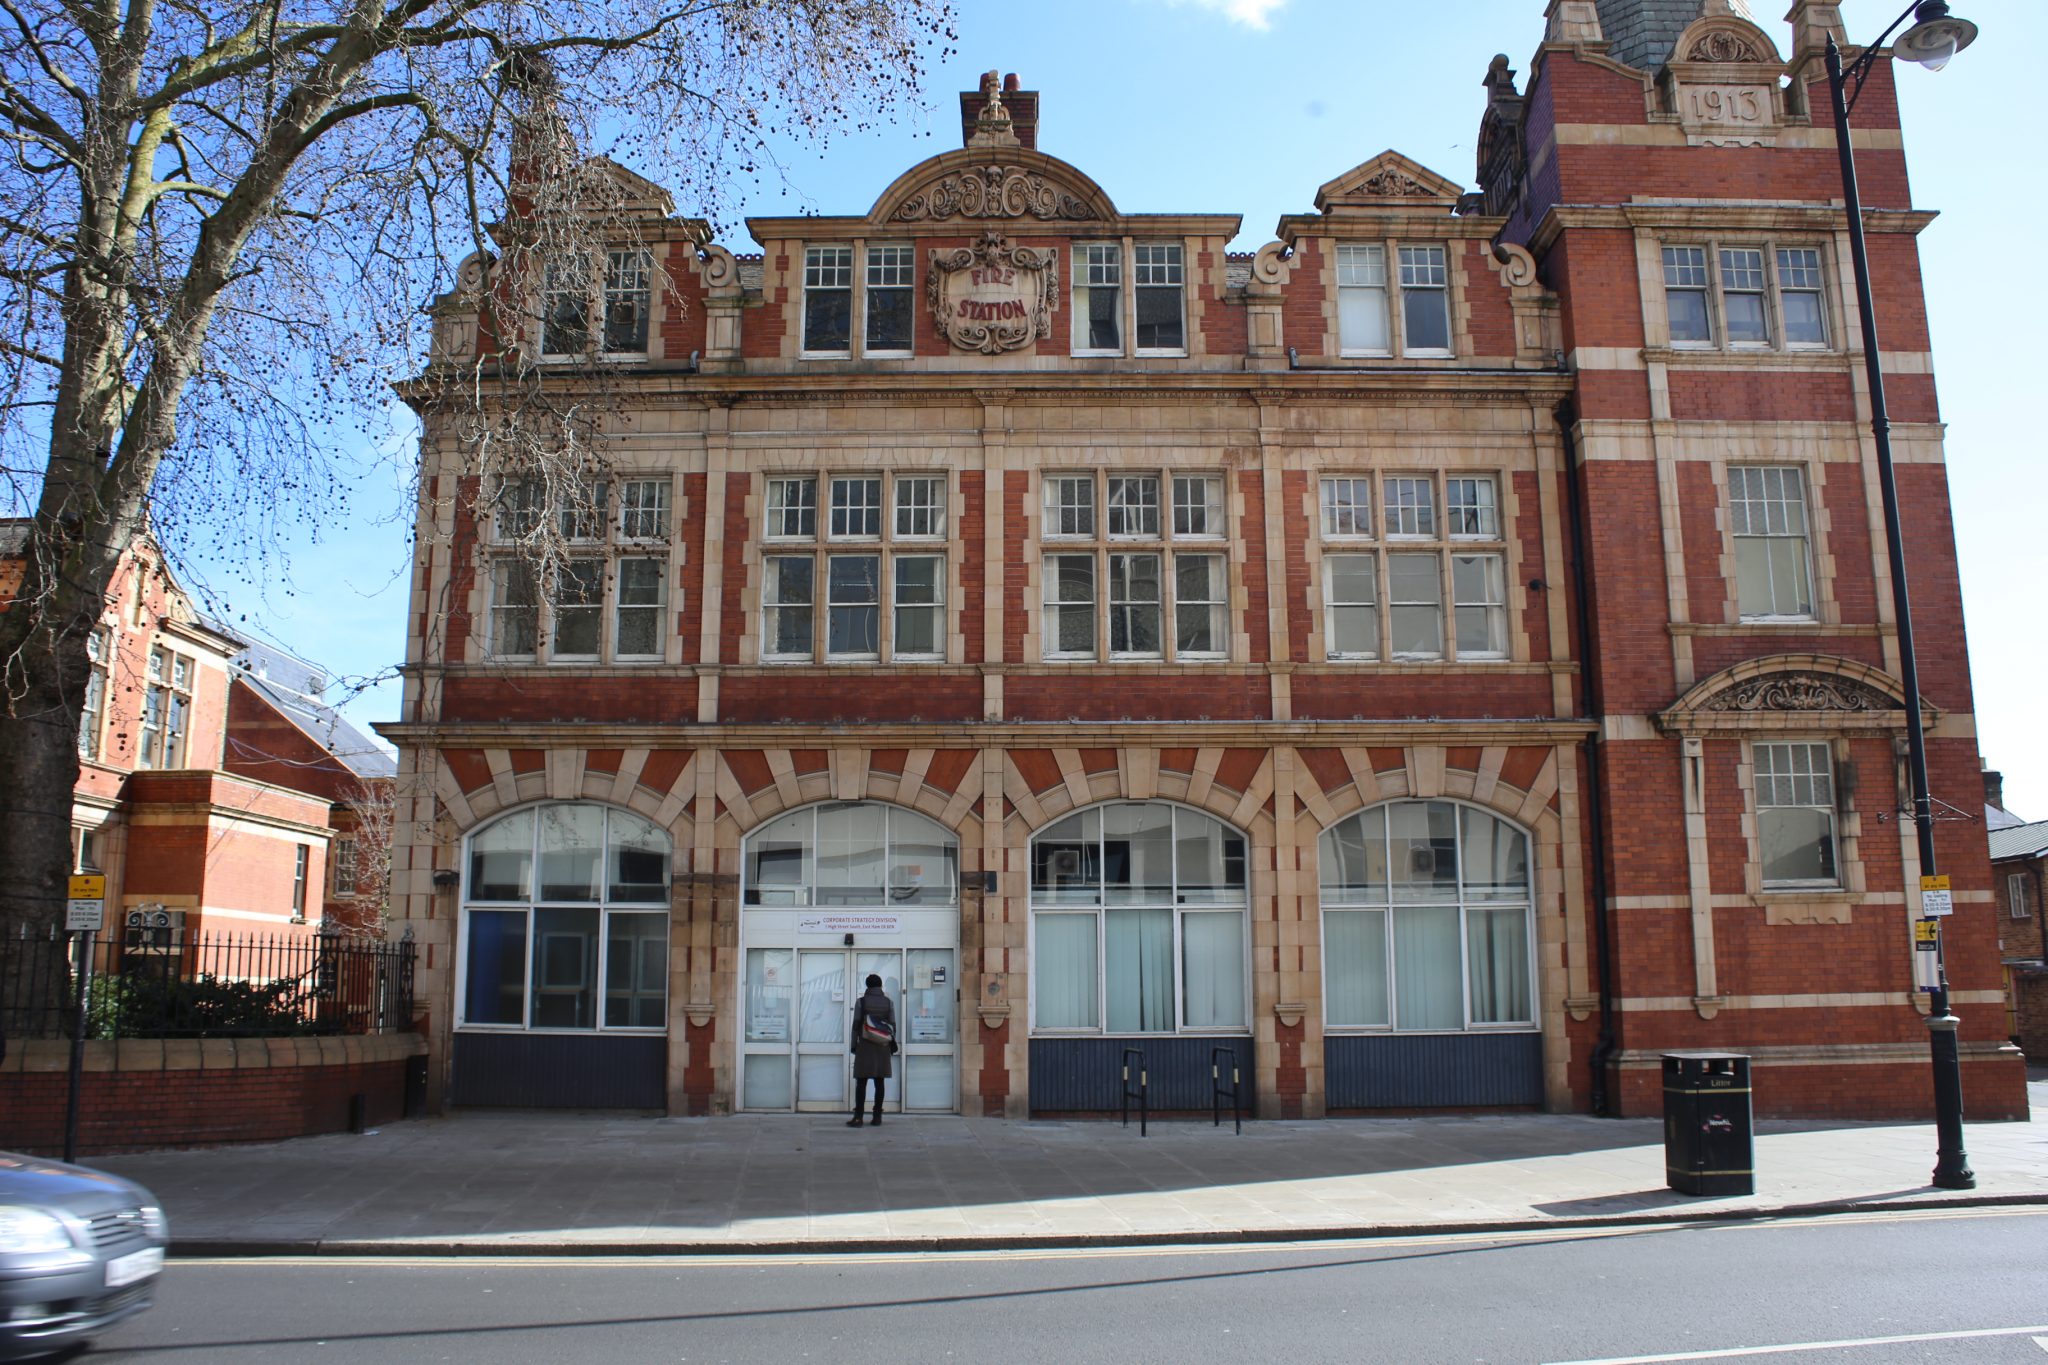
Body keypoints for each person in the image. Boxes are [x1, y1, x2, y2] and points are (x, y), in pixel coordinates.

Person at [848, 972, 897, 1127]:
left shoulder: (861, 1002)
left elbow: (856, 1025)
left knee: (861, 1082)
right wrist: (887, 1041)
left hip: (865, 1045)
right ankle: (877, 1117)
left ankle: (858, 1117)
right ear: (880, 985)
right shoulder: (889, 1002)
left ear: (867, 986)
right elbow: (892, 1026)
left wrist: (853, 1045)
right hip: (882, 1046)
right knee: (879, 1081)